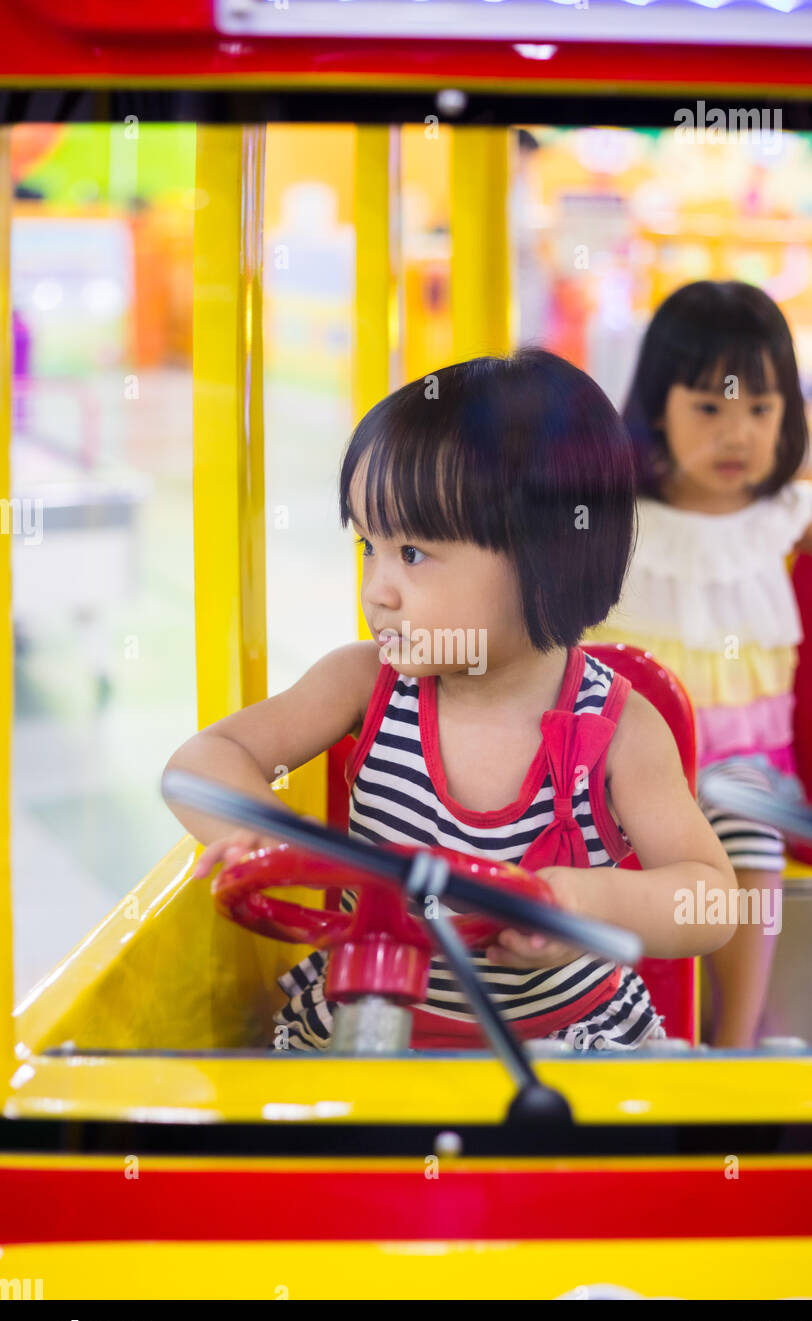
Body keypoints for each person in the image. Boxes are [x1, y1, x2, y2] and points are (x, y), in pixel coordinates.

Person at [163, 348, 735, 1053]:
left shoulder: (614, 731)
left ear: (547, 554)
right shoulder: (364, 683)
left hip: (563, 1046)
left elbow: (712, 899)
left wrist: (583, 903)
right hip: (363, 1028)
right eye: (369, 547)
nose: (377, 588)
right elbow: (199, 762)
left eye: (414, 554)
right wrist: (281, 839)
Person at [586, 281, 812, 1047]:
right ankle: (629, 1029)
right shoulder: (614, 513)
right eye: (710, 408)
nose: (737, 432)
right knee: (617, 865)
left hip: (742, 773)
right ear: (657, 408)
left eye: (761, 408)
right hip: (618, 769)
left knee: (755, 853)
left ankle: (735, 1039)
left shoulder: (791, 510)